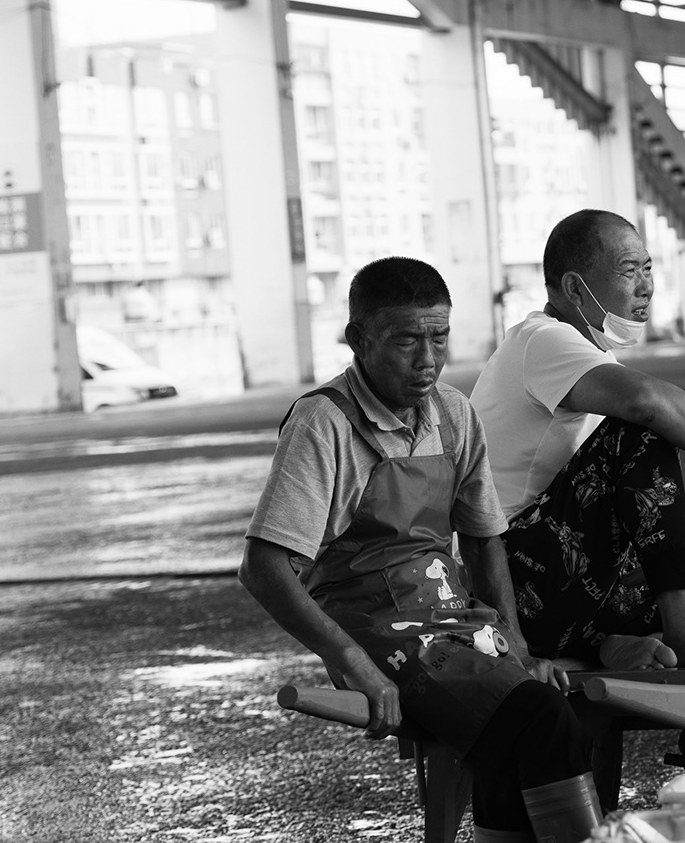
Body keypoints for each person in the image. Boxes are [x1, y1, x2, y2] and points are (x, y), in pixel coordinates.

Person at [239, 257, 601, 843]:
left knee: (535, 715)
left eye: (439, 337)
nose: (427, 359)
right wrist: (354, 665)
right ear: (358, 339)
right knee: (538, 721)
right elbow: (263, 567)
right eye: (406, 340)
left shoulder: (453, 413)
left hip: (452, 616)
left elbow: (483, 541)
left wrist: (517, 646)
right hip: (374, 631)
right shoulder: (322, 423)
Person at [470, 209, 685, 671]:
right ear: (575, 289)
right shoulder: (540, 341)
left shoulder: (590, 358)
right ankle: (684, 625)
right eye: (629, 270)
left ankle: (608, 644)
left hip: (577, 590)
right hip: (520, 585)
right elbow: (649, 403)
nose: (646, 287)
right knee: (641, 429)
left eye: (647, 268)